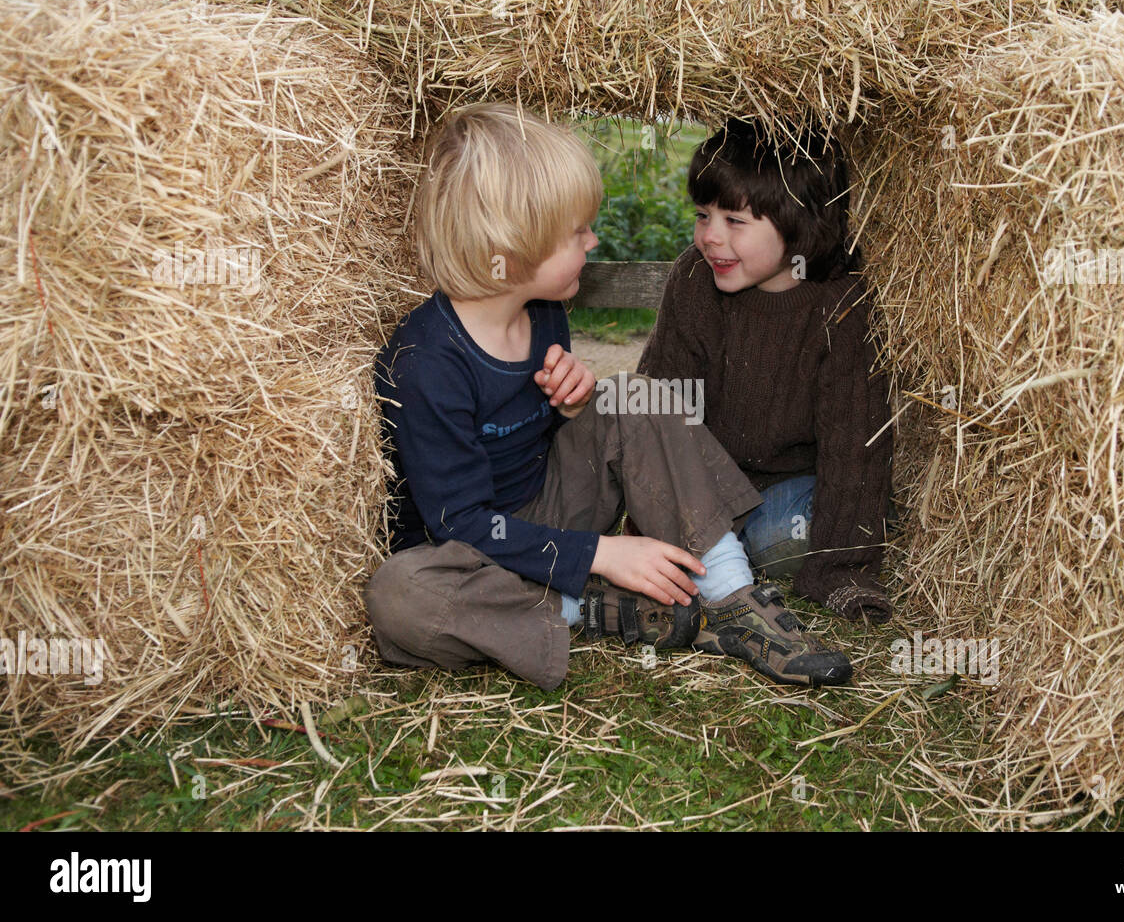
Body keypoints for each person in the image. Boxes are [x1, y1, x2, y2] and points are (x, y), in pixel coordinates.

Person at [364, 103, 852, 690]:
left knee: (637, 397)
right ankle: (592, 608)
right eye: (577, 233)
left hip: (549, 508)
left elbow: (549, 444)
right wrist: (596, 554)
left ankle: (731, 596)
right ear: (513, 247)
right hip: (471, 554)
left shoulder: (543, 314)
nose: (594, 240)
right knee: (400, 598)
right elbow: (462, 524)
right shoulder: (425, 364)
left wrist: (568, 407)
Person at [637, 118, 894, 624]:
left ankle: (732, 553)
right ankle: (714, 548)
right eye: (702, 214)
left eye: (734, 221)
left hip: (788, 487)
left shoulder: (838, 306)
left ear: (799, 224)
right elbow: (660, 403)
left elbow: (855, 443)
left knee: (782, 538)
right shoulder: (694, 279)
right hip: (705, 480)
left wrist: (843, 569)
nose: (710, 236)